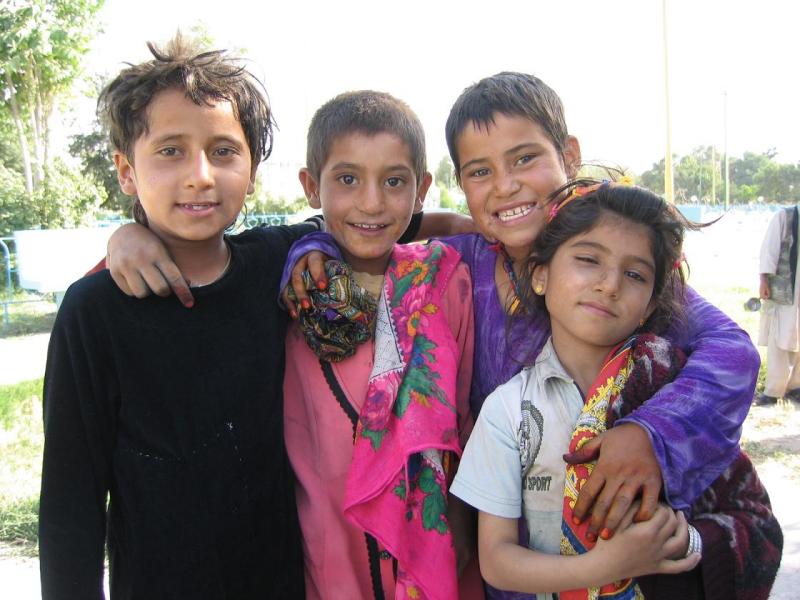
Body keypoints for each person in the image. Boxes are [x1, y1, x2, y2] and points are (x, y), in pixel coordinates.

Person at [284, 72, 760, 544]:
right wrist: (313, 243)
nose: (505, 186)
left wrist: (651, 436)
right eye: (480, 171)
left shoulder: (617, 267)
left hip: (620, 549)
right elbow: (375, 226)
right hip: (507, 558)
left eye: (525, 159)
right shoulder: (461, 262)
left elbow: (733, 353)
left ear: (569, 156)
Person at [38, 37, 313, 599]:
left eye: (223, 150)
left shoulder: (275, 264)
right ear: (126, 171)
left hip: (283, 583)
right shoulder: (95, 311)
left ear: (253, 169)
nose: (200, 175)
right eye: (170, 151)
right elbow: (71, 499)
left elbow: (372, 220)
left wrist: (461, 222)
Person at [450, 180, 783, 599]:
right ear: (540, 275)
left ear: (648, 307)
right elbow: (497, 560)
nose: (610, 285)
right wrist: (603, 567)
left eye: (634, 274)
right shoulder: (509, 411)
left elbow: (744, 510)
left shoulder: (673, 397)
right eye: (589, 260)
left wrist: (685, 542)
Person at [280, 90, 481, 599]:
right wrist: (130, 236)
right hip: (330, 556)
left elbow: (461, 417)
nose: (371, 202)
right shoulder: (293, 286)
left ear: (421, 190)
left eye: (394, 182)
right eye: (347, 179)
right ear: (310, 186)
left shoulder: (447, 282)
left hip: (440, 549)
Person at [755, 205, 800, 406]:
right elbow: (769, 250)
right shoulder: (785, 216)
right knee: (778, 338)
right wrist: (763, 279)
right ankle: (774, 390)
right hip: (785, 289)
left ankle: (795, 386)